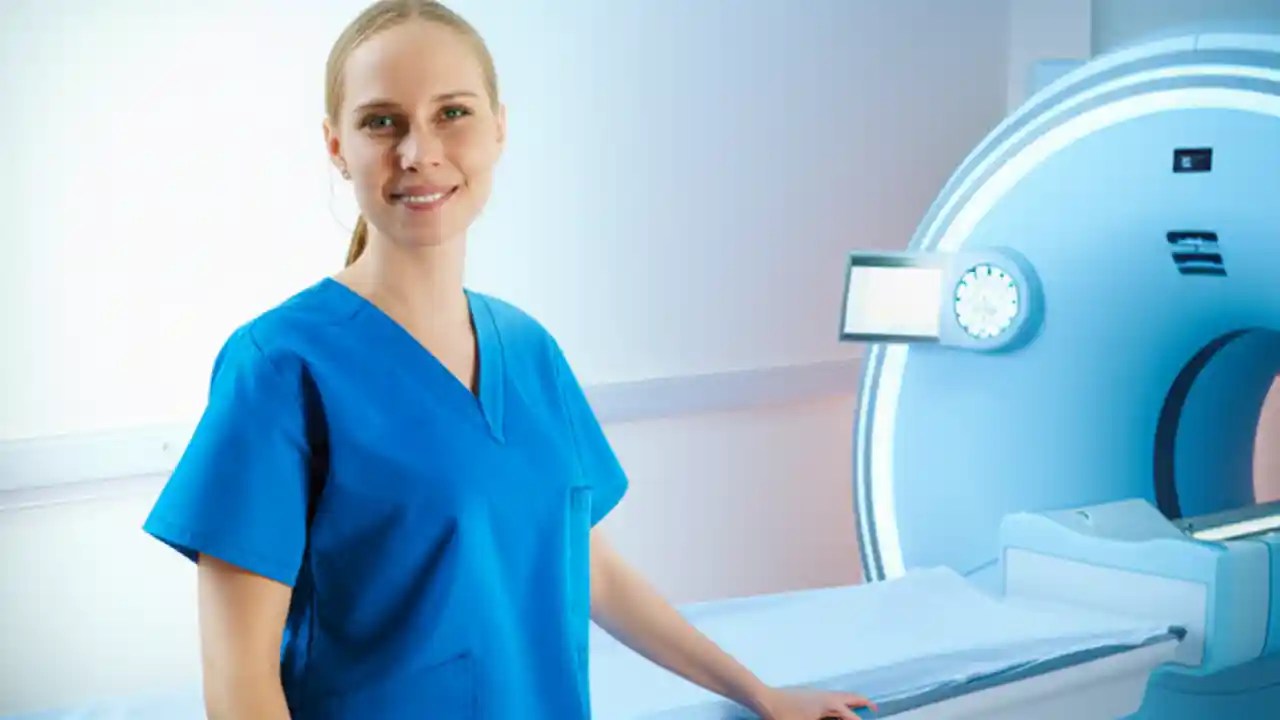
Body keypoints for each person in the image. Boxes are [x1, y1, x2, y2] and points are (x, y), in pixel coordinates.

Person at [141, 1, 879, 718]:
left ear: (499, 129)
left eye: (452, 113)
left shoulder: (527, 350)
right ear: (337, 145)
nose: (418, 151)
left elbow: (585, 565)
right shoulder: (280, 365)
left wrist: (760, 694)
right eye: (381, 122)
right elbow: (237, 684)